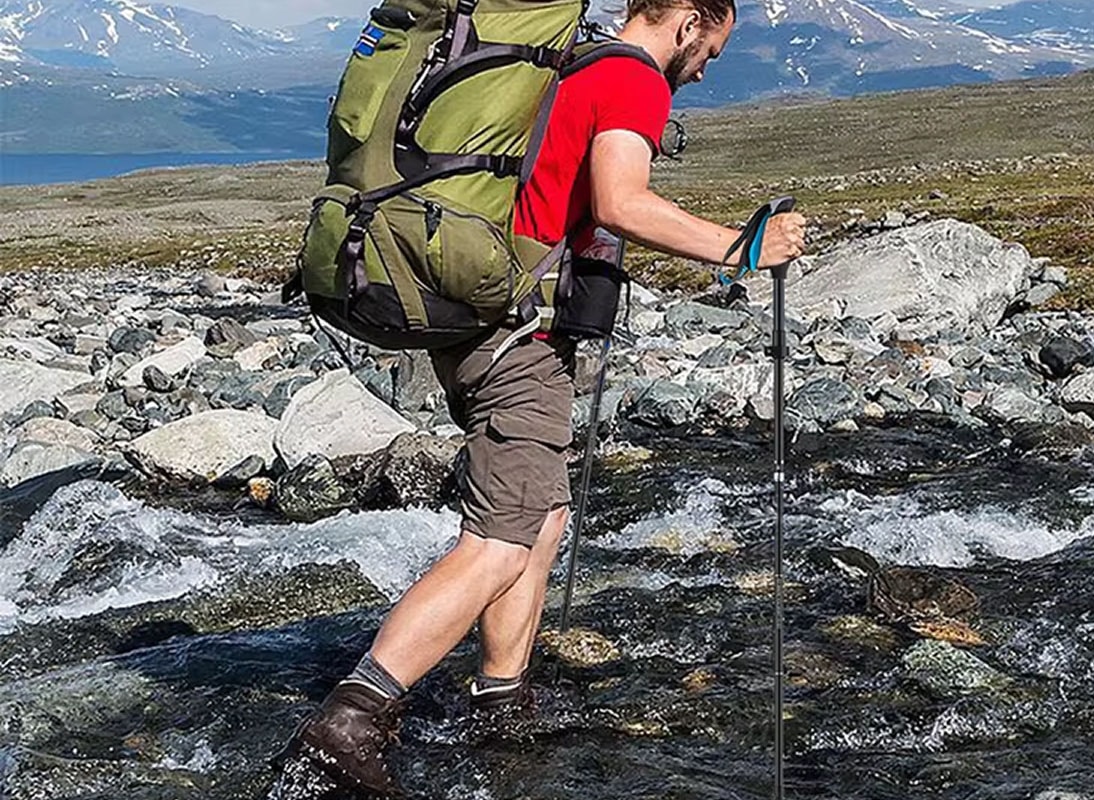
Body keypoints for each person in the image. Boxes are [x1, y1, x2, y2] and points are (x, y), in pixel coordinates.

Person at [276, 0, 807, 793]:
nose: (704, 68)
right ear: (692, 18)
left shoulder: (576, 61)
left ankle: (500, 697)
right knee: (500, 537)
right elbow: (623, 202)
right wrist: (746, 246)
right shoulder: (630, 77)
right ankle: (350, 720)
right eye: (713, 50)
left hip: (475, 310)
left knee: (542, 510)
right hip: (517, 334)